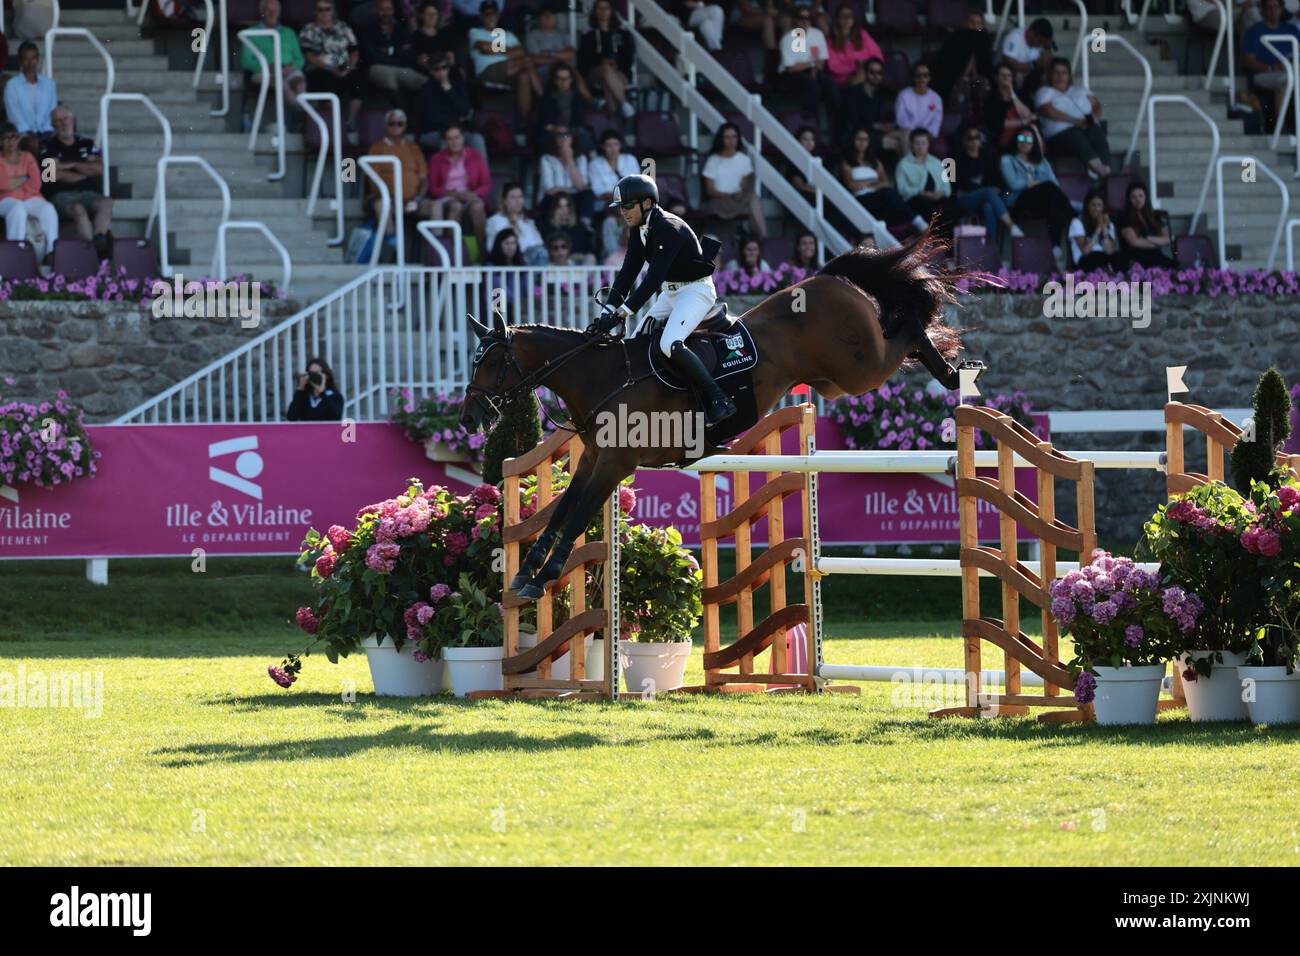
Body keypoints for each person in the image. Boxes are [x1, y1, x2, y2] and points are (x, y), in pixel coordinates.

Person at [586, 174, 735, 425]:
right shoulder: (639, 228)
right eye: (620, 207)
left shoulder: (668, 227)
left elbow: (652, 279)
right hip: (671, 293)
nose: (623, 212)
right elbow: (628, 272)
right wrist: (607, 310)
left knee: (670, 343)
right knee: (635, 343)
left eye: (627, 206)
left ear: (646, 202)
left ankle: (719, 399)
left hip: (695, 291)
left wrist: (621, 314)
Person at [40, 107, 113, 258]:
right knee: (78, 208)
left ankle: (99, 239)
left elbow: (100, 169)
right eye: (58, 121)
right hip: (61, 195)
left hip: (89, 193)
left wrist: (68, 166)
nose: (63, 123)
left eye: (65, 118)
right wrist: (83, 169)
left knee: (106, 202)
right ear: (52, 125)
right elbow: (49, 174)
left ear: (73, 120)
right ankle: (92, 251)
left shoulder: (88, 143)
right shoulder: (47, 145)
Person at [999, 129, 1074, 257]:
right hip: (1019, 199)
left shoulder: (1042, 162)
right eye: (1021, 139)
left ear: (1034, 143)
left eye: (1029, 140)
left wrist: (1039, 184)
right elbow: (1013, 184)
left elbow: (1055, 184)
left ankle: (1055, 245)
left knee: (1054, 201)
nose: (1025, 143)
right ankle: (1073, 217)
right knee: (1051, 191)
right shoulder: (1007, 160)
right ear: (1015, 141)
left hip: (1044, 200)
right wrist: (1031, 183)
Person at [1035, 57, 1111, 179]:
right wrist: (1075, 121)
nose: (1060, 76)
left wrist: (1091, 119)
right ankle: (1099, 170)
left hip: (1085, 129)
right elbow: (1047, 111)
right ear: (1050, 74)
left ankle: (1106, 169)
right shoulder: (1044, 92)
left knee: (1096, 131)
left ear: (1069, 75)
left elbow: (1097, 106)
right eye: (1056, 72)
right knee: (1074, 135)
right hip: (1058, 139)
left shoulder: (1081, 90)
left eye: (1064, 72)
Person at [840, 126, 924, 232]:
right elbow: (851, 185)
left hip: (878, 197)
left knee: (890, 195)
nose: (862, 142)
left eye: (865, 139)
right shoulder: (847, 162)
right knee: (888, 194)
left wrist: (865, 184)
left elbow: (885, 182)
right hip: (861, 199)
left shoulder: (875, 161)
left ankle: (915, 227)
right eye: (859, 139)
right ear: (853, 140)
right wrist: (873, 182)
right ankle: (916, 220)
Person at [422, 121, 490, 252]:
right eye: (450, 138)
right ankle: (451, 253)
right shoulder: (437, 158)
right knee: (456, 206)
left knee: (478, 207)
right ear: (445, 141)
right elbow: (433, 188)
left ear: (463, 138)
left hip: (470, 195)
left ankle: (483, 253)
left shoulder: (476, 156)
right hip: (448, 196)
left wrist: (474, 194)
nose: (454, 142)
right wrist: (452, 194)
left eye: (457, 137)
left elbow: (486, 184)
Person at [299, 0, 364, 136]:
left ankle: (350, 122)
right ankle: (336, 126)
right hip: (319, 68)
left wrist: (348, 67)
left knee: (358, 80)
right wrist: (330, 68)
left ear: (333, 11)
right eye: (320, 9)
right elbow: (309, 55)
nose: (324, 13)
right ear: (315, 12)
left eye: (327, 9)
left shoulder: (343, 27)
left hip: (343, 66)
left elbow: (354, 51)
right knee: (324, 80)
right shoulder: (308, 29)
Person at [468, 0, 542, 119]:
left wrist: (496, 49)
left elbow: (521, 51)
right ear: (481, 16)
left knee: (524, 77)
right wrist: (509, 51)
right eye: (487, 14)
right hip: (487, 71)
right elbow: (484, 47)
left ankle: (525, 119)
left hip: (510, 70)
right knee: (526, 61)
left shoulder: (507, 34)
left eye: (494, 13)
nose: (491, 17)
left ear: (498, 15)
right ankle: (544, 99)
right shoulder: (475, 32)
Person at [952, 127, 1020, 245]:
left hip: (986, 198)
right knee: (988, 192)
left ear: (980, 140)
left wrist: (993, 189)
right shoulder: (956, 158)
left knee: (988, 206)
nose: (974, 141)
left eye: (977, 137)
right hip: (965, 198)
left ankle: (991, 248)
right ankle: (1012, 226)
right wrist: (985, 190)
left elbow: (997, 180)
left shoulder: (988, 156)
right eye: (970, 138)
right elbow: (959, 183)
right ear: (964, 141)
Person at [366, 109, 427, 236]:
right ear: (386, 125)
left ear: (405, 126)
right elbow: (373, 180)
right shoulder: (376, 148)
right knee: (381, 204)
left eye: (400, 123)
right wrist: (392, 198)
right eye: (392, 123)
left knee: (436, 206)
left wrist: (418, 199)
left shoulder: (414, 148)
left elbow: (424, 179)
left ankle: (437, 253)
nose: (396, 126)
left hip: (413, 201)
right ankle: (393, 245)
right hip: (390, 200)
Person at [701, 123, 767, 240]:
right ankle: (760, 238)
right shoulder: (713, 160)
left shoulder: (744, 160)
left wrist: (739, 193)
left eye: (734, 136)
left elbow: (744, 186)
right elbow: (710, 190)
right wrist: (727, 195)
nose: (731, 140)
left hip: (737, 200)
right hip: (719, 202)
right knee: (753, 206)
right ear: (721, 139)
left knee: (753, 199)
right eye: (727, 137)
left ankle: (760, 237)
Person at [240, 0, 307, 113]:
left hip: (288, 69)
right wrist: (266, 67)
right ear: (262, 12)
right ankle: (304, 112)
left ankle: (304, 113)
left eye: (275, 10)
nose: (272, 13)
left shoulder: (289, 32)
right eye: (268, 10)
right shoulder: (251, 32)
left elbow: (300, 59)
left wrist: (292, 66)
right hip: (263, 72)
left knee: (300, 84)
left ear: (279, 12)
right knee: (281, 83)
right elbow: (245, 60)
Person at [1244, 0, 1300, 135]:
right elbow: (1248, 61)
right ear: (1263, 10)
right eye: (1269, 7)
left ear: (1282, 9)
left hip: (1291, 71)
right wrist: (1271, 68)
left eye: (1276, 6)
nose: (1273, 10)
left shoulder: (1291, 30)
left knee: (1289, 78)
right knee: (1286, 80)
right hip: (1263, 75)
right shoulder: (1255, 31)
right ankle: (1280, 129)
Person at [0, 122, 56, 252]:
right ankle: (16, 253)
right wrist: (25, 178)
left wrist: (14, 184)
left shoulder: (28, 156)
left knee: (48, 208)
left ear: (19, 139)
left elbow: (36, 184)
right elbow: (2, 184)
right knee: (17, 208)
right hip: (5, 200)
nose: (11, 141)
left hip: (30, 198)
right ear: (0, 141)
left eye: (14, 137)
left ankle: (52, 252)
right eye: (6, 138)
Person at [579, 0, 637, 119]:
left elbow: (629, 55)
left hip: (620, 71)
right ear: (595, 12)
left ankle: (613, 118)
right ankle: (624, 103)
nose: (603, 12)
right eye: (599, 8)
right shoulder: (588, 33)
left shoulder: (622, 32)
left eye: (606, 8)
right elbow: (583, 59)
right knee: (606, 70)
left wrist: (617, 65)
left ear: (611, 11)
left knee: (607, 81)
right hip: (594, 73)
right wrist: (601, 62)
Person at [776, 8, 836, 121]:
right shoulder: (788, 38)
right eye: (801, 18)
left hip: (811, 70)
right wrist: (812, 65)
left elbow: (822, 59)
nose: (805, 21)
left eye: (808, 18)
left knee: (830, 85)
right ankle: (812, 123)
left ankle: (835, 124)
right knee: (812, 86)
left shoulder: (817, 34)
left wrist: (815, 67)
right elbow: (791, 67)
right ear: (794, 20)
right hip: (789, 75)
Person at [415, 54, 483, 151]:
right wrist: (453, 123)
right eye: (437, 69)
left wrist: (449, 90)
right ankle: (451, 166)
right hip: (435, 132)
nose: (441, 72)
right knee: (449, 141)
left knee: (477, 139)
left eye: (444, 67)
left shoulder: (457, 86)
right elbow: (430, 118)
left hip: (459, 131)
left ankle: (482, 167)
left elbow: (464, 111)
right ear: (431, 71)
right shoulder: (426, 90)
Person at [360, 0, 424, 102]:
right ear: (376, 10)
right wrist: (397, 53)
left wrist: (387, 53)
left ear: (393, 11)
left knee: (424, 82)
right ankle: (402, 114)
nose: (386, 13)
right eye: (382, 9)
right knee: (389, 76)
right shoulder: (368, 29)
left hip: (401, 69)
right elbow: (372, 57)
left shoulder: (400, 29)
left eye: (389, 9)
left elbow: (409, 54)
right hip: (378, 69)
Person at [894, 128, 954, 234]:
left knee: (953, 204)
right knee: (923, 204)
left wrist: (941, 193)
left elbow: (947, 186)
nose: (920, 147)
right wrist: (921, 192)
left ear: (928, 144)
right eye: (917, 143)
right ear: (911, 145)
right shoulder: (903, 164)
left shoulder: (936, 162)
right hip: (916, 199)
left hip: (937, 197)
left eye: (923, 143)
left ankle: (949, 243)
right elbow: (902, 189)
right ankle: (934, 239)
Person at [589, 130, 640, 255]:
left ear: (620, 146)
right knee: (610, 222)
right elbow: (599, 191)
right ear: (603, 147)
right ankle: (613, 256)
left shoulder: (630, 159)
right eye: (609, 145)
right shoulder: (596, 164)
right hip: (607, 204)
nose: (613, 148)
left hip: (630, 201)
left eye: (616, 144)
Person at [933, 3, 994, 106]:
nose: (975, 27)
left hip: (977, 81)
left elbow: (986, 64)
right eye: (972, 23)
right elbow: (946, 66)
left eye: (978, 24)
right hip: (956, 81)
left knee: (984, 88)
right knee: (962, 91)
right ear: (965, 23)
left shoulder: (984, 39)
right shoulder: (955, 39)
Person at [838, 57, 901, 154]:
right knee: (896, 144)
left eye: (879, 73)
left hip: (876, 134)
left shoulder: (881, 93)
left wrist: (885, 126)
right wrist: (877, 126)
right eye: (872, 72)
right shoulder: (853, 93)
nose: (876, 76)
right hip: (856, 137)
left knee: (906, 135)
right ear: (865, 73)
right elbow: (852, 123)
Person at [534, 62, 599, 156]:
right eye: (560, 79)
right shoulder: (547, 98)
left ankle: (593, 159)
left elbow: (579, 121)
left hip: (572, 132)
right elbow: (544, 124)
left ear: (571, 79)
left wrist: (568, 129)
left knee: (583, 134)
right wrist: (556, 128)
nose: (563, 81)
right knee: (563, 139)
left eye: (566, 78)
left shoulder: (577, 97)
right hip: (553, 134)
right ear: (555, 80)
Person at [4, 42, 57, 148]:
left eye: (33, 58)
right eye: (26, 59)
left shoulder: (49, 84)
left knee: (52, 145)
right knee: (34, 144)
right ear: (20, 61)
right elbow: (14, 114)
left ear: (37, 59)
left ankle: (51, 165)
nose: (30, 63)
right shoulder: (12, 85)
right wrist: (28, 132)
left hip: (46, 131)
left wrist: (47, 130)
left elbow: (52, 110)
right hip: (21, 133)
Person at [526, 2, 588, 89]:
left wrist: (550, 53)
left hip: (564, 67)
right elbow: (535, 59)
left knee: (572, 71)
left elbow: (571, 53)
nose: (548, 18)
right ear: (539, 19)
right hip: (544, 71)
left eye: (551, 15)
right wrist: (561, 57)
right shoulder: (533, 35)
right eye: (545, 16)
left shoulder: (562, 34)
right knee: (564, 69)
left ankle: (589, 101)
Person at [539, 126, 594, 221]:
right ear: (554, 139)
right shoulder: (546, 159)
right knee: (551, 199)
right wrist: (571, 190)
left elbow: (581, 185)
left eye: (566, 135)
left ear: (572, 138)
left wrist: (570, 160)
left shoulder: (581, 158)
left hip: (573, 197)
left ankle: (585, 226)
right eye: (559, 135)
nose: (563, 138)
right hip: (553, 197)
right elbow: (549, 189)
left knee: (587, 195)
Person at [486, 181, 547, 264]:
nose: (518, 201)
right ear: (504, 201)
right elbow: (492, 248)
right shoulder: (496, 220)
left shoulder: (528, 222)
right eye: (513, 197)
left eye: (520, 197)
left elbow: (539, 244)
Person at [1117, 180, 1173, 268]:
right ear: (1129, 199)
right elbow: (1134, 242)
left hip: (1156, 256)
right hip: (1136, 259)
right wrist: (1158, 243)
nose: (1138, 200)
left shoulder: (1155, 215)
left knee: (1177, 267)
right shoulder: (1124, 217)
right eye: (1133, 197)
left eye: (1140, 196)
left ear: (1146, 197)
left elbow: (1168, 239)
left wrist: (1147, 237)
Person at [825, 4, 883, 88]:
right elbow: (833, 66)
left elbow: (878, 55)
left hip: (867, 73)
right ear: (837, 19)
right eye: (843, 16)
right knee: (864, 75)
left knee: (868, 74)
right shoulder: (831, 40)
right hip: (844, 79)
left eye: (849, 16)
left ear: (854, 19)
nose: (846, 19)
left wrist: (866, 64)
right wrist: (856, 65)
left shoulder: (863, 35)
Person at [983, 62, 1038, 149]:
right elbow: (997, 123)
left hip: (1023, 137)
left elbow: (1028, 115)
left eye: (1009, 75)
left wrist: (1012, 93)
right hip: (1001, 139)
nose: (1006, 78)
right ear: (996, 78)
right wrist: (1022, 122)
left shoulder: (1022, 95)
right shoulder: (990, 98)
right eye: (1003, 75)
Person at [1069, 188, 1124, 272]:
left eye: (1099, 205)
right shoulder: (1077, 222)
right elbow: (1085, 250)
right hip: (1085, 259)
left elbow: (1109, 251)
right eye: (1093, 205)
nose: (1096, 209)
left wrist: (1104, 229)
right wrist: (1098, 228)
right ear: (1087, 206)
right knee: (1095, 257)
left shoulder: (1109, 225)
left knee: (1119, 257)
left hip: (1103, 257)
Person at [1001, 15, 1053, 97]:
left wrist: (1048, 49)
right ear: (1031, 33)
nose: (1041, 45)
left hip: (1031, 77)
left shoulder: (1043, 43)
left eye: (1043, 43)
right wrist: (1034, 65)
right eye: (1040, 41)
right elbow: (1009, 63)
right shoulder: (1014, 37)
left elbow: (1047, 62)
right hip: (1014, 76)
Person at [406, 1, 459, 80]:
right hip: (427, 71)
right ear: (422, 15)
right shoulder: (415, 36)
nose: (432, 17)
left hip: (445, 69)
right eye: (428, 14)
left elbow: (450, 57)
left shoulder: (443, 35)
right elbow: (418, 59)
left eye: (434, 14)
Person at [894, 62, 943, 144]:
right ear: (913, 77)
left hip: (928, 134)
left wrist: (928, 134)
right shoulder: (903, 95)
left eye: (925, 75)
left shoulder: (936, 98)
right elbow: (901, 119)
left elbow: (936, 121)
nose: (922, 78)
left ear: (929, 78)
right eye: (918, 75)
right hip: (909, 133)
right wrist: (916, 134)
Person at [541, 192, 597, 263]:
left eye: (567, 206)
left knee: (591, 257)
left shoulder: (580, 227)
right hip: (557, 262)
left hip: (578, 263)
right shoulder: (548, 228)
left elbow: (589, 250)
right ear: (554, 210)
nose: (564, 210)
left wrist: (579, 256)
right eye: (560, 207)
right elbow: (549, 250)